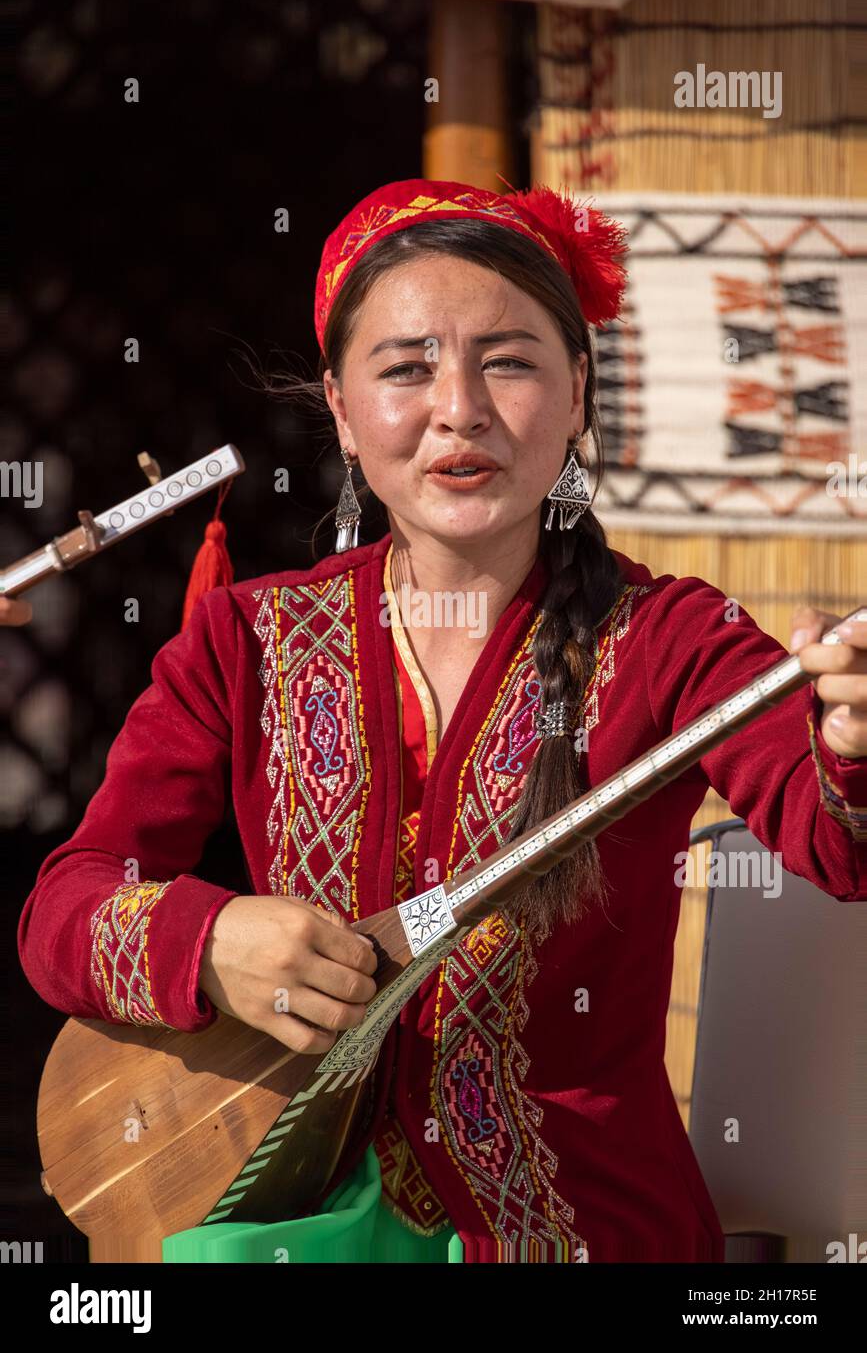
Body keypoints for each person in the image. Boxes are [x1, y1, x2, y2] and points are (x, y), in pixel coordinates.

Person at [18, 177, 867, 1264]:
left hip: (577, 1230)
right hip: (292, 1209)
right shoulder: (246, 641)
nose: (458, 408)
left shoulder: (672, 640)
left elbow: (838, 842)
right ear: (338, 404)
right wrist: (211, 939)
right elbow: (64, 911)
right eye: (407, 367)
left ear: (577, 392)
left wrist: (845, 738)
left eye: (508, 361)